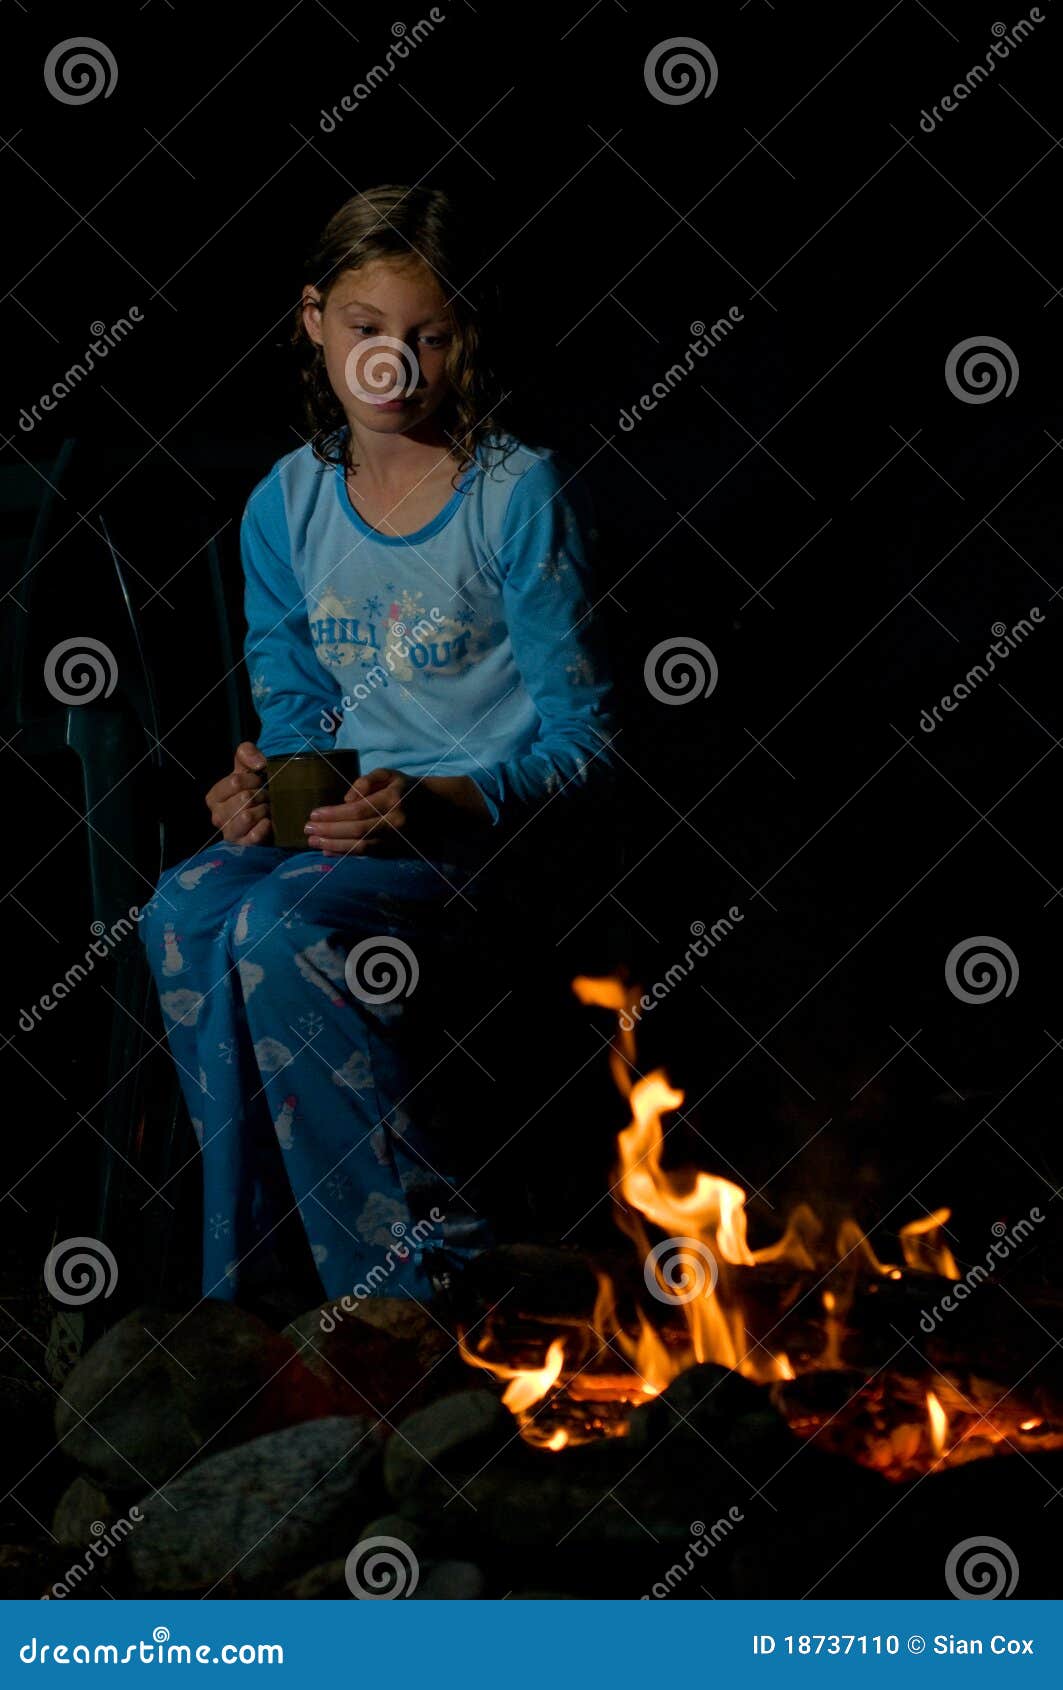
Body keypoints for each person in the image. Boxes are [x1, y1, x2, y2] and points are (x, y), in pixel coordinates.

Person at [140, 184, 619, 1309]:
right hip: (338, 844)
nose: (392, 366)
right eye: (366, 331)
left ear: (465, 341)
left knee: (275, 921)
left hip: (472, 846)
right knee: (187, 905)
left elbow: (586, 743)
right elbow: (297, 710)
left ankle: (412, 1283)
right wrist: (260, 789)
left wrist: (442, 795)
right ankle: (253, 1292)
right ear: (314, 321)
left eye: (428, 336)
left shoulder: (513, 493)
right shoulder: (287, 502)